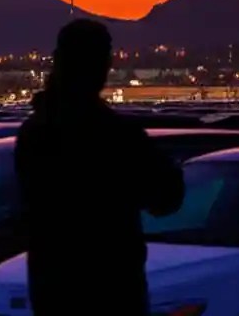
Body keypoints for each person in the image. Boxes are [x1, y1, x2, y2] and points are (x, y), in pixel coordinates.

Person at [15, 19, 184, 316]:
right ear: (103, 65)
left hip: (52, 289)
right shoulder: (115, 135)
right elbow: (166, 197)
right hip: (111, 289)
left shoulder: (34, 132)